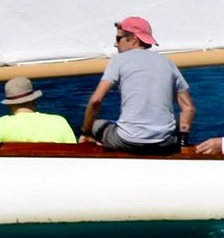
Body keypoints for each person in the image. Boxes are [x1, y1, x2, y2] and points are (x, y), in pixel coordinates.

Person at [82, 16, 193, 153]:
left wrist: (86, 132)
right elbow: (188, 108)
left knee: (96, 124)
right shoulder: (168, 63)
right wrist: (182, 141)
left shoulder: (119, 60)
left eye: (118, 39)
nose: (115, 44)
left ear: (134, 39)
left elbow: (95, 101)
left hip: (128, 141)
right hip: (165, 143)